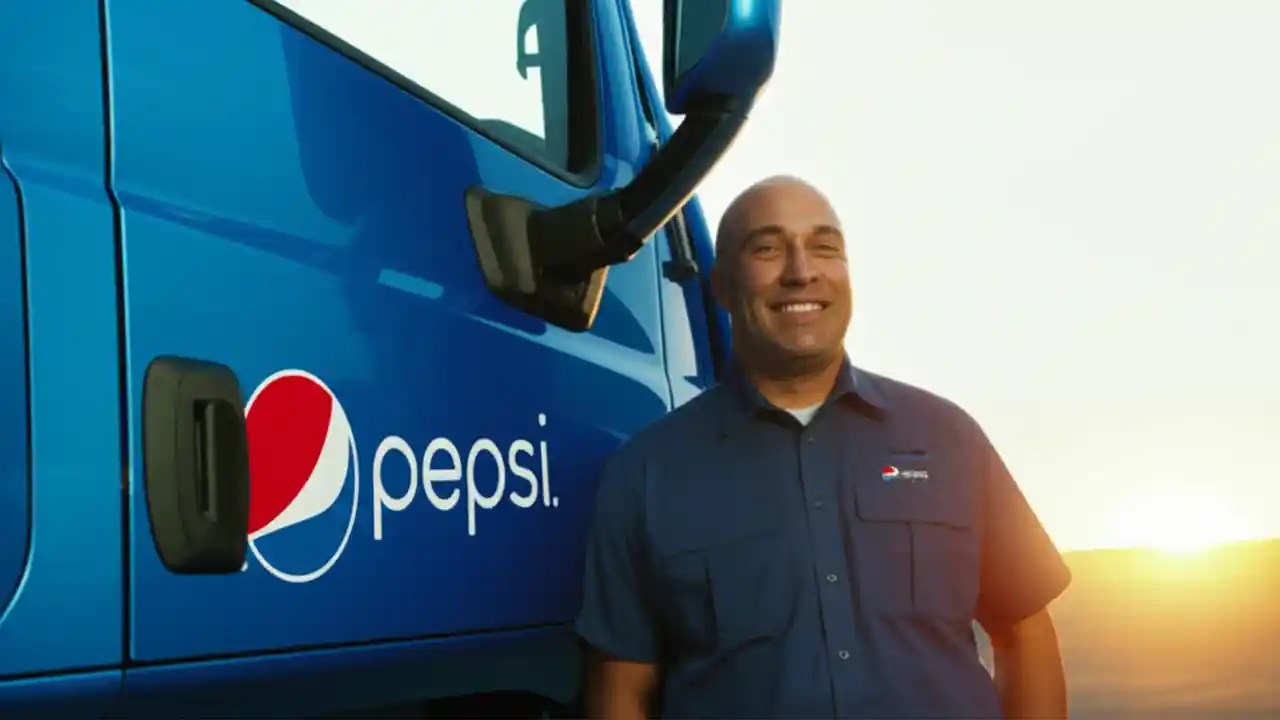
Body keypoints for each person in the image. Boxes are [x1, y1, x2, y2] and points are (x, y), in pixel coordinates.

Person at [572, 175, 1071, 719]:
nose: (801, 271)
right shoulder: (647, 472)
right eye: (767, 248)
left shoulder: (949, 438)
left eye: (824, 247)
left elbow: (1025, 633)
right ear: (720, 286)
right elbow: (622, 687)